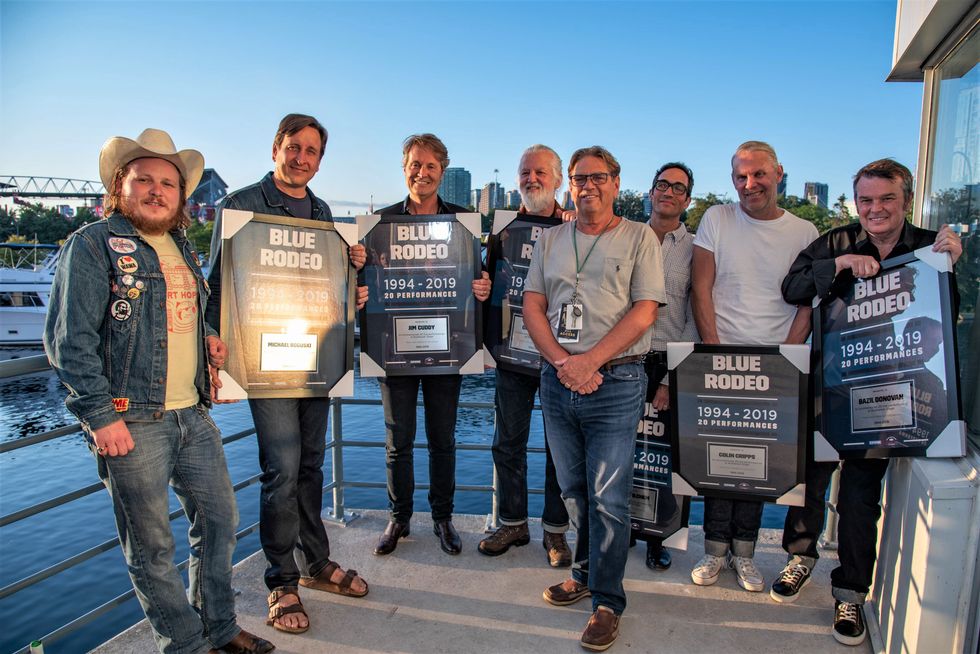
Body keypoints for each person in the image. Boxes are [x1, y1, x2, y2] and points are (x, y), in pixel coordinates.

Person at [44, 128, 272, 654]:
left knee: (220, 522)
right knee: (151, 547)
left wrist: (211, 341)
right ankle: (185, 644)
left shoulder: (182, 249)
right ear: (119, 186)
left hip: (191, 414)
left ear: (180, 195)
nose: (156, 190)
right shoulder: (92, 245)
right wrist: (99, 416)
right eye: (143, 179)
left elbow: (179, 321)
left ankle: (219, 628)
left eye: (167, 183)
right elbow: (68, 342)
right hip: (130, 419)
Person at [776, 158, 961, 646]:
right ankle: (800, 557)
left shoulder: (928, 248)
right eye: (866, 200)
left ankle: (850, 592)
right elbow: (791, 287)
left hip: (887, 399)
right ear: (855, 201)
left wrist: (950, 266)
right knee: (810, 481)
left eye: (886, 199)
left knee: (860, 499)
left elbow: (950, 315)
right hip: (828, 392)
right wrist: (836, 265)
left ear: (906, 200)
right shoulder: (835, 242)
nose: (874, 209)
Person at [205, 114, 368, 635]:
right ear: (276, 147)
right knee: (282, 466)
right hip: (264, 359)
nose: (302, 158)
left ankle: (316, 564)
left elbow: (323, 287)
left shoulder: (322, 212)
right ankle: (281, 580)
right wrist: (217, 354)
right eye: (294, 147)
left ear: (321, 159)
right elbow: (217, 285)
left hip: (316, 359)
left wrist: (352, 279)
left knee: (312, 466)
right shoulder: (241, 205)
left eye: (312, 152)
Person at [524, 145, 664, 651]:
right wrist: (564, 363)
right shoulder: (551, 238)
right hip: (558, 380)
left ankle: (607, 601)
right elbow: (533, 305)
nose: (588, 186)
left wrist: (590, 362)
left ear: (616, 183)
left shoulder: (639, 236)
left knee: (610, 497)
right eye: (580, 178)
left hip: (618, 381)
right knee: (573, 489)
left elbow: (645, 311)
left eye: (598, 177)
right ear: (570, 186)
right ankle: (583, 573)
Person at [690, 140, 817, 593]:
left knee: (759, 466)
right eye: (741, 177)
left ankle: (744, 553)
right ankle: (713, 550)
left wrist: (786, 356)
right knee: (718, 462)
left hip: (775, 365)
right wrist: (712, 350)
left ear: (778, 173)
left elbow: (807, 303)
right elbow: (700, 287)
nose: (750, 184)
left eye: (759, 174)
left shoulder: (804, 232)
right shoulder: (717, 219)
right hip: (720, 360)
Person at [372, 133, 492, 557]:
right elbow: (365, 283)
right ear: (403, 166)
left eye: (430, 166)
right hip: (393, 349)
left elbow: (481, 280)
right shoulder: (380, 223)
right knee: (396, 441)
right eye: (414, 164)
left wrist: (483, 287)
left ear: (442, 171)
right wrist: (359, 280)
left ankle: (443, 518)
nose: (421, 173)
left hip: (448, 349)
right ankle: (398, 518)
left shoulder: (464, 223)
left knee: (443, 440)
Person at [479, 144, 572, 567]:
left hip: (559, 358)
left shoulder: (575, 227)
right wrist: (480, 287)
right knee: (507, 443)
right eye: (524, 173)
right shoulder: (502, 229)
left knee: (560, 449)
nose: (531, 179)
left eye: (539, 172)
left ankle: (556, 532)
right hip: (512, 358)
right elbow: (486, 279)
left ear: (556, 179)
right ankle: (513, 522)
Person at [633, 162, 700, 572]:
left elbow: (696, 313)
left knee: (670, 457)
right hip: (624, 358)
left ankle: (661, 538)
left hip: (670, 358)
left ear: (687, 199)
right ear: (651, 191)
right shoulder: (624, 235)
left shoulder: (696, 247)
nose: (669, 192)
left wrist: (674, 377)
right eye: (662, 184)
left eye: (678, 187)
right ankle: (621, 528)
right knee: (619, 452)